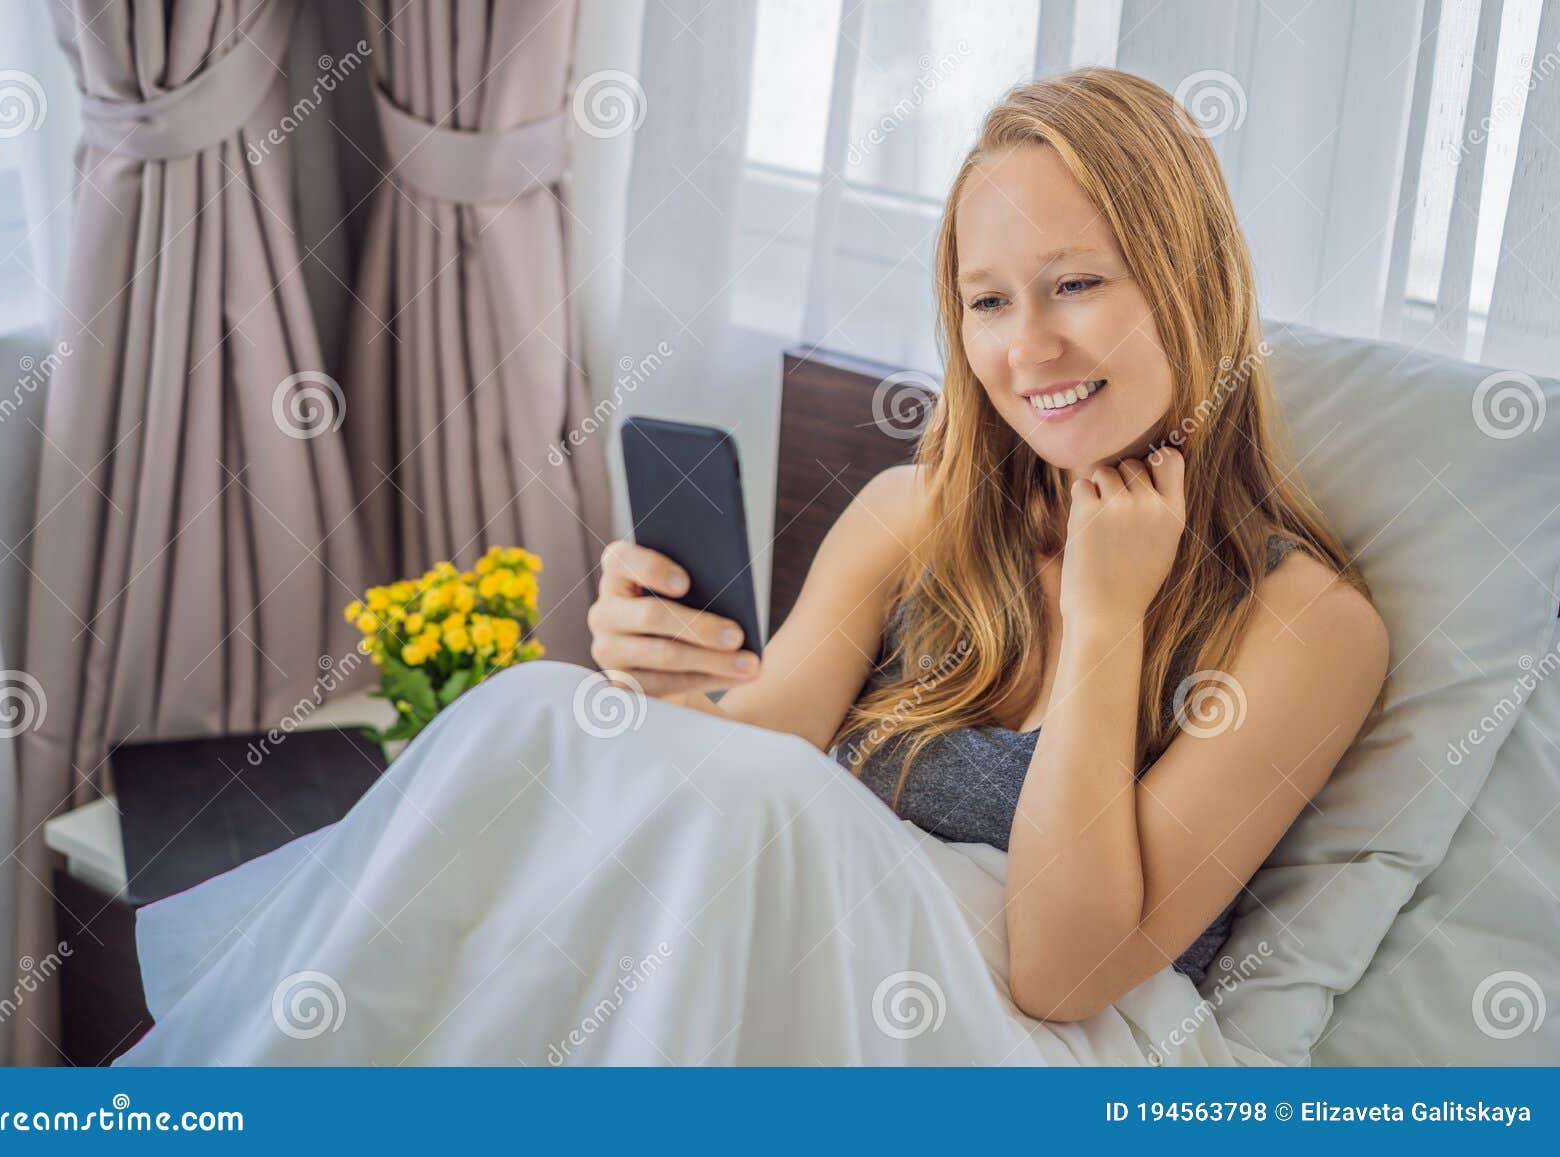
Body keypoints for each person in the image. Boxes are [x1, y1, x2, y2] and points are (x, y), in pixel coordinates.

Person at [116, 68, 1387, 1066]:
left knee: (754, 801)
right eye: (988, 301)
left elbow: (1062, 972)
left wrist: (1109, 617)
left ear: (1187, 282)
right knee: (539, 707)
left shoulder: (1304, 624)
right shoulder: (914, 514)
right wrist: (660, 685)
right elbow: (753, 751)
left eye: (1076, 283)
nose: (1028, 348)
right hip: (802, 965)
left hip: (1025, 1048)